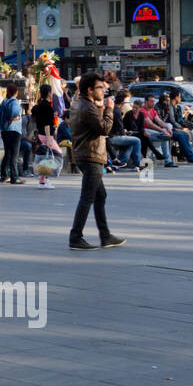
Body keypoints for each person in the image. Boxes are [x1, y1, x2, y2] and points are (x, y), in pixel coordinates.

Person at [68, 72, 126, 251]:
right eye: (100, 87)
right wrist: (109, 109)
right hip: (91, 155)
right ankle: (76, 237)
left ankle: (105, 235)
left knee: (100, 195)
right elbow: (104, 128)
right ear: (90, 89)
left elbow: (94, 124)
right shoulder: (87, 108)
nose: (104, 90)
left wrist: (101, 108)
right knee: (87, 197)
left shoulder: (81, 104)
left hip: (86, 154)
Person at [107, 90, 144, 171]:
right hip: (113, 137)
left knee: (130, 142)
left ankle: (120, 163)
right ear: (123, 101)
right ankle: (136, 164)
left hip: (110, 136)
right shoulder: (117, 110)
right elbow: (120, 128)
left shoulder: (113, 108)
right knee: (137, 140)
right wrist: (125, 132)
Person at [0, 83, 24, 184]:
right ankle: (14, 178)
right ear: (16, 92)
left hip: (5, 131)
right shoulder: (14, 102)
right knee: (14, 155)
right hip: (14, 130)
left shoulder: (5, 101)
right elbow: (13, 115)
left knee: (7, 154)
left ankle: (4, 176)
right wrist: (17, 117)